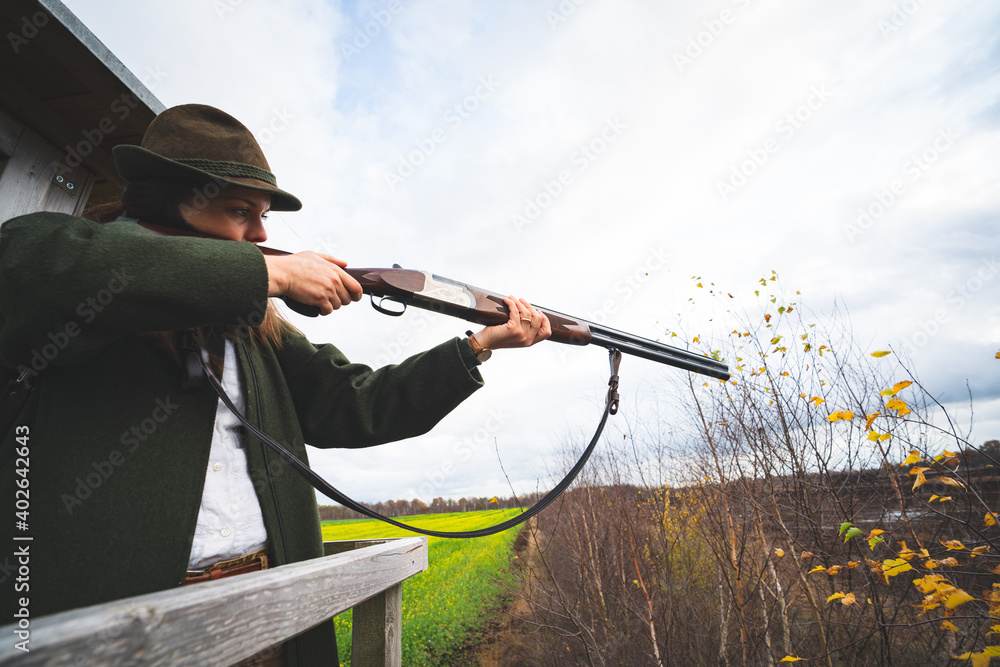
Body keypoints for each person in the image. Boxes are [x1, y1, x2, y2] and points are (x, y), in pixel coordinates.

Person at [0, 104, 550, 665]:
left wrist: (478, 346)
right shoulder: (57, 256)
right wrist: (275, 273)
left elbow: (357, 405)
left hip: (273, 612)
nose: (262, 234)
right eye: (241, 211)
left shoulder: (255, 325)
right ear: (168, 201)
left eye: (262, 215)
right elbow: (35, 271)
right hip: (120, 633)